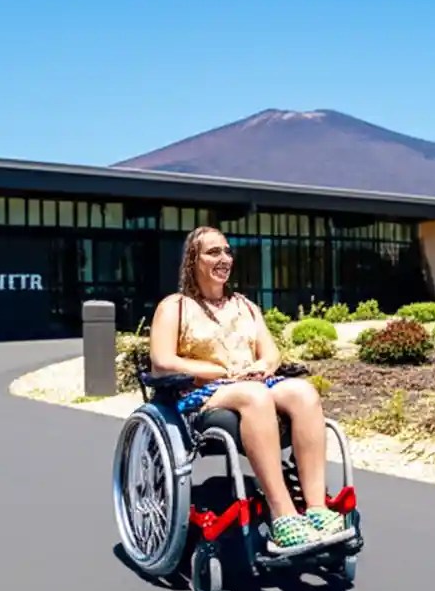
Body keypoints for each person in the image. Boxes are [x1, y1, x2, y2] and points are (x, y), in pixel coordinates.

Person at [148, 226, 349, 554]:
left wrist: (263, 366)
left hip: (253, 382)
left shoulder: (245, 305)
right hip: (204, 392)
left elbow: (270, 353)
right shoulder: (175, 306)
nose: (224, 258)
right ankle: (284, 515)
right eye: (214, 252)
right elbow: (162, 361)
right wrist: (215, 371)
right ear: (193, 260)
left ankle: (316, 509)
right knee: (255, 397)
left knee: (303, 392)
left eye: (227, 251)